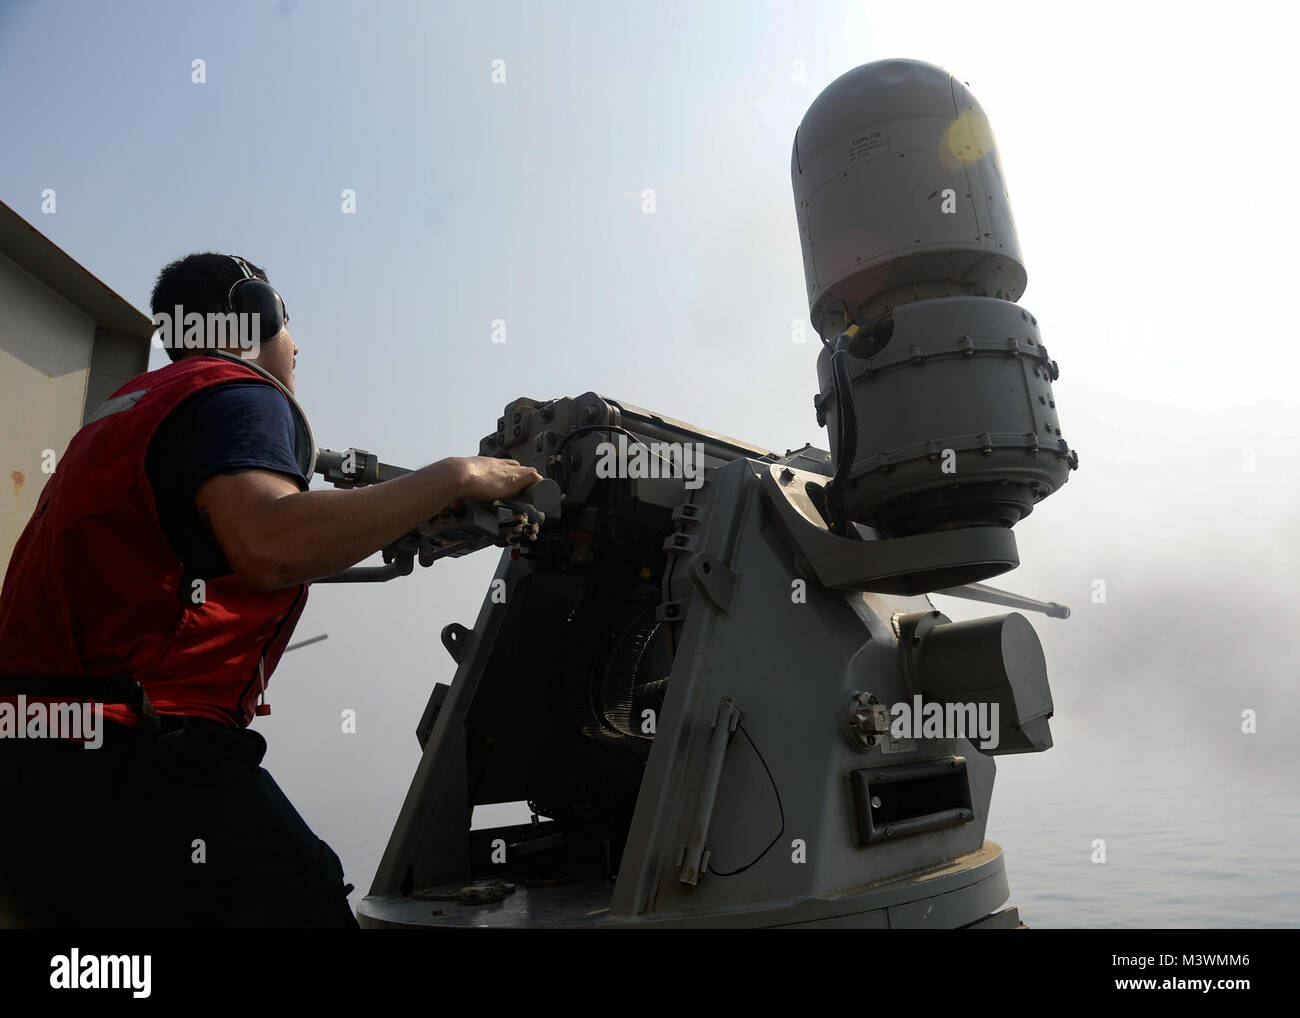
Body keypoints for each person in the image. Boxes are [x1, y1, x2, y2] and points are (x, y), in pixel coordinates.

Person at [0, 252, 541, 928]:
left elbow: (196, 561)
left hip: (36, 755)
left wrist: (399, 516)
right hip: (137, 752)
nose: (296, 347)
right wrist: (455, 475)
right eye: (289, 327)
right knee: (303, 895)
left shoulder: (127, 413)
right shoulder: (237, 393)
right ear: (253, 313)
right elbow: (270, 543)